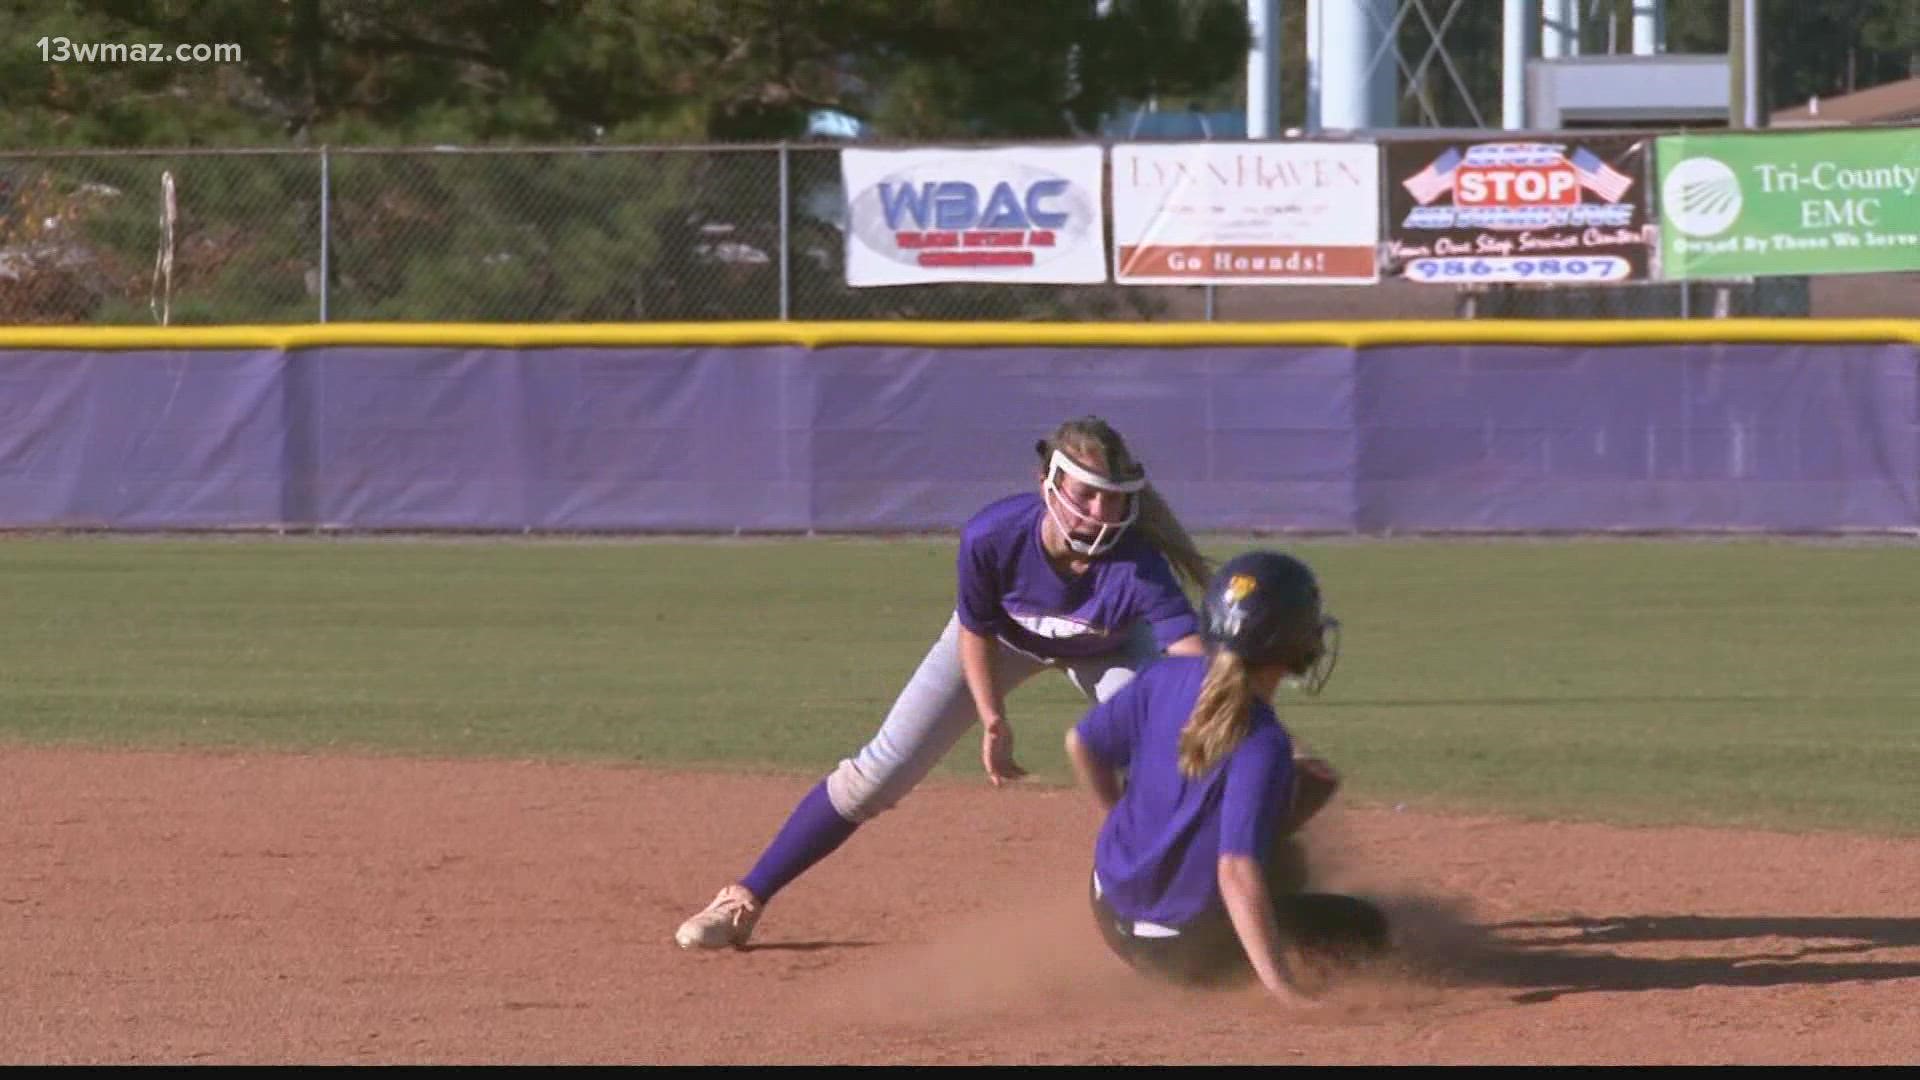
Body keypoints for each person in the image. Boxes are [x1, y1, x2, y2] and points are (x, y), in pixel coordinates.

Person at [675, 415, 1215, 949]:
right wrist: (992, 717)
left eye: (1114, 498)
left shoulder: (1137, 565)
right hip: (999, 643)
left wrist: (1224, 713)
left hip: (1109, 647)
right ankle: (744, 898)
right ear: (1047, 484)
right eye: (1088, 494)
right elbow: (976, 631)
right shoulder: (993, 536)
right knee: (875, 775)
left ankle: (1217, 895)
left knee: (1172, 751)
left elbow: (1187, 657)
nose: (1101, 512)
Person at [1065, 550, 1390, 1003]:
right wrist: (1284, 989)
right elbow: (1236, 870)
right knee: (1366, 927)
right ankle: (1249, 967)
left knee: (1289, 856)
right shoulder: (1264, 742)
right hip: (1181, 955)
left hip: (1107, 910)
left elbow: (1081, 743)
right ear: (1290, 641)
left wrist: (1117, 820)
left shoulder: (1165, 675)